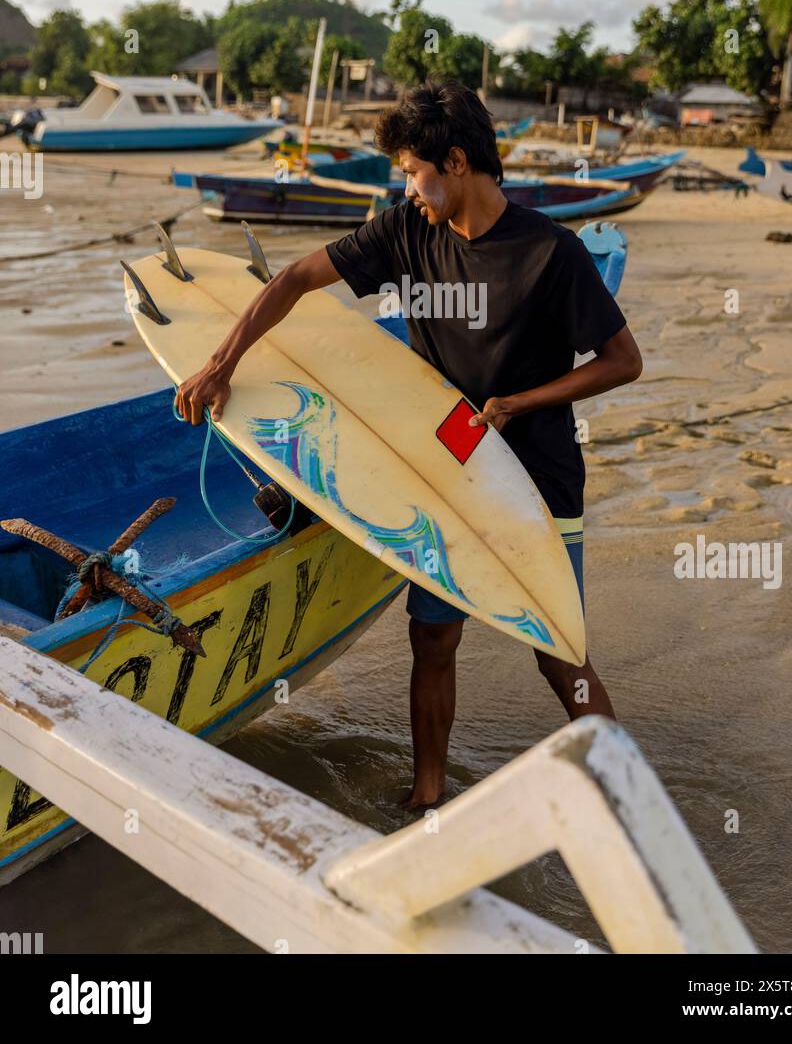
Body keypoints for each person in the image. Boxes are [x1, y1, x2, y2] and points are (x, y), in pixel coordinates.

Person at [175, 79, 642, 810]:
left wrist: (520, 402)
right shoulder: (404, 232)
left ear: (454, 162)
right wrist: (221, 363)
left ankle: (625, 786)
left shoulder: (550, 254)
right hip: (442, 468)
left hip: (538, 475)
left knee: (557, 647)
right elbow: (297, 278)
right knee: (432, 638)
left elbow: (622, 361)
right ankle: (427, 794)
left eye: (411, 173)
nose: (407, 190)